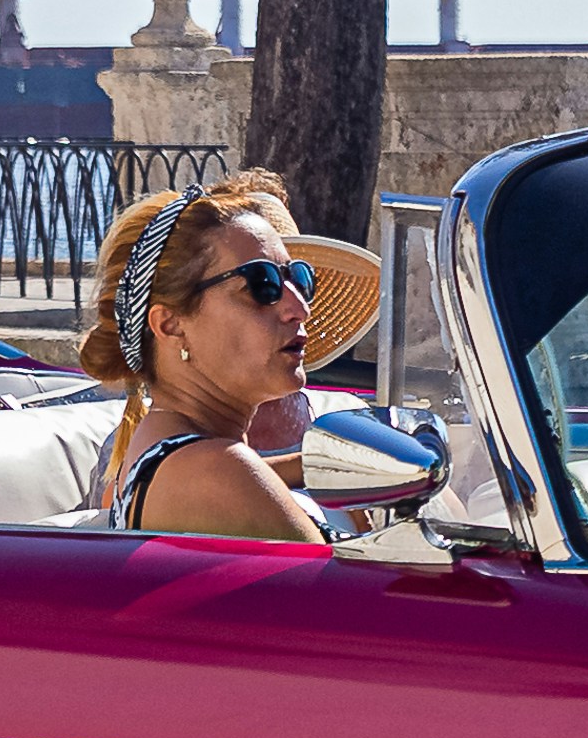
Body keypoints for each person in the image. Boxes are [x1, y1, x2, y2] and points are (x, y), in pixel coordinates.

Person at [79, 174, 376, 540]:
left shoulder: (169, 452)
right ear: (170, 324)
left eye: (298, 279)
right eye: (260, 284)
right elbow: (365, 597)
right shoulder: (215, 472)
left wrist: (319, 466)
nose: (299, 308)